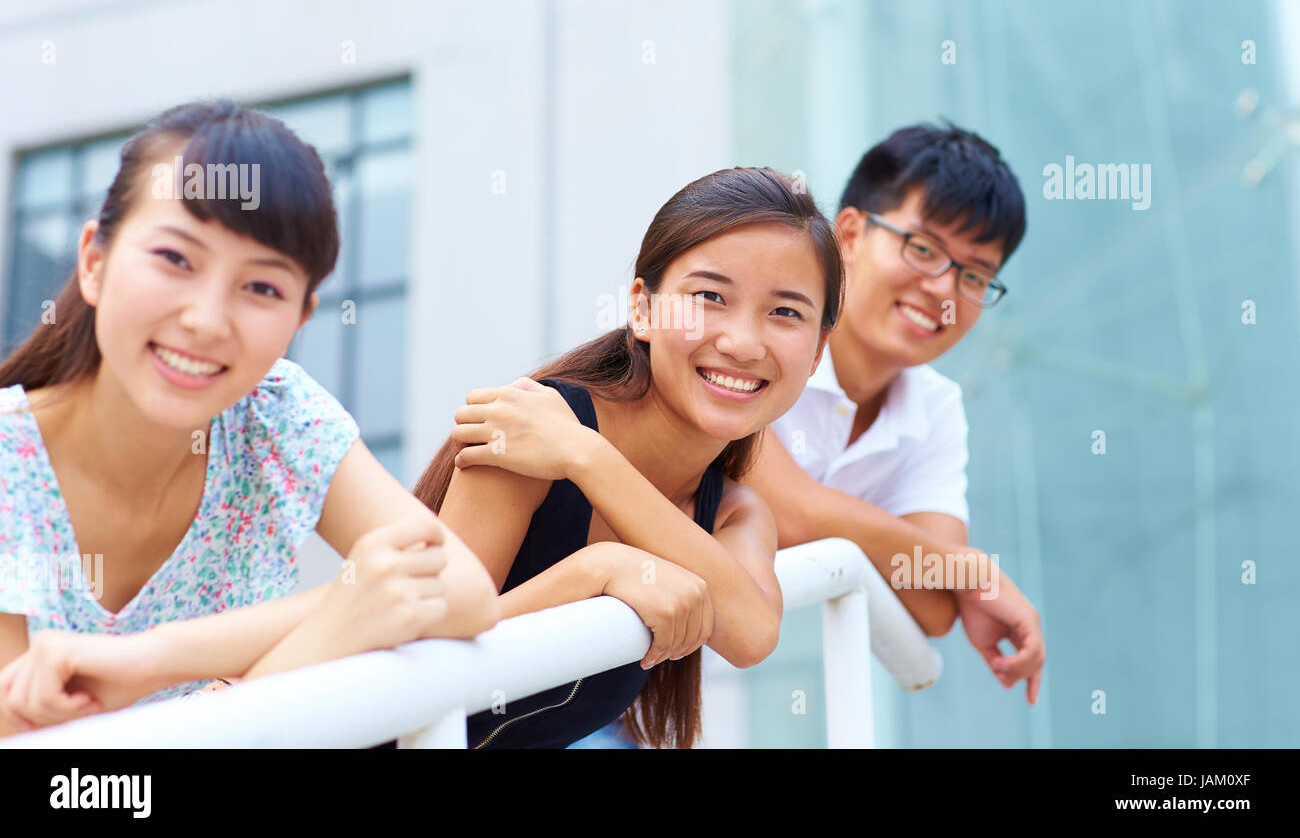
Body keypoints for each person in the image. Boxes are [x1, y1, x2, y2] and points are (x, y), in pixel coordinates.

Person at [0, 101, 499, 736]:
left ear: (300, 318)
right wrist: (332, 622)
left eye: (261, 288)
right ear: (94, 262)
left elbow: (463, 591)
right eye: (176, 259)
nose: (207, 320)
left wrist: (152, 658)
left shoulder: (275, 417)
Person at [412, 167, 844, 748]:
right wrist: (594, 572)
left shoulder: (733, 511)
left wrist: (588, 458)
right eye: (710, 296)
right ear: (642, 308)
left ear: (817, 351)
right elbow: (419, 665)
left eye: (785, 312)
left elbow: (752, 632)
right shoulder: (527, 432)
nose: (743, 342)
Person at [744, 123, 1047, 704]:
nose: (944, 289)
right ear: (850, 235)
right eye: (925, 249)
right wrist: (971, 570)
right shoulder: (763, 325)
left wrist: (950, 572)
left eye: (976, 275)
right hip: (547, 616)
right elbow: (792, 513)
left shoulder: (934, 408)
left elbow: (931, 608)